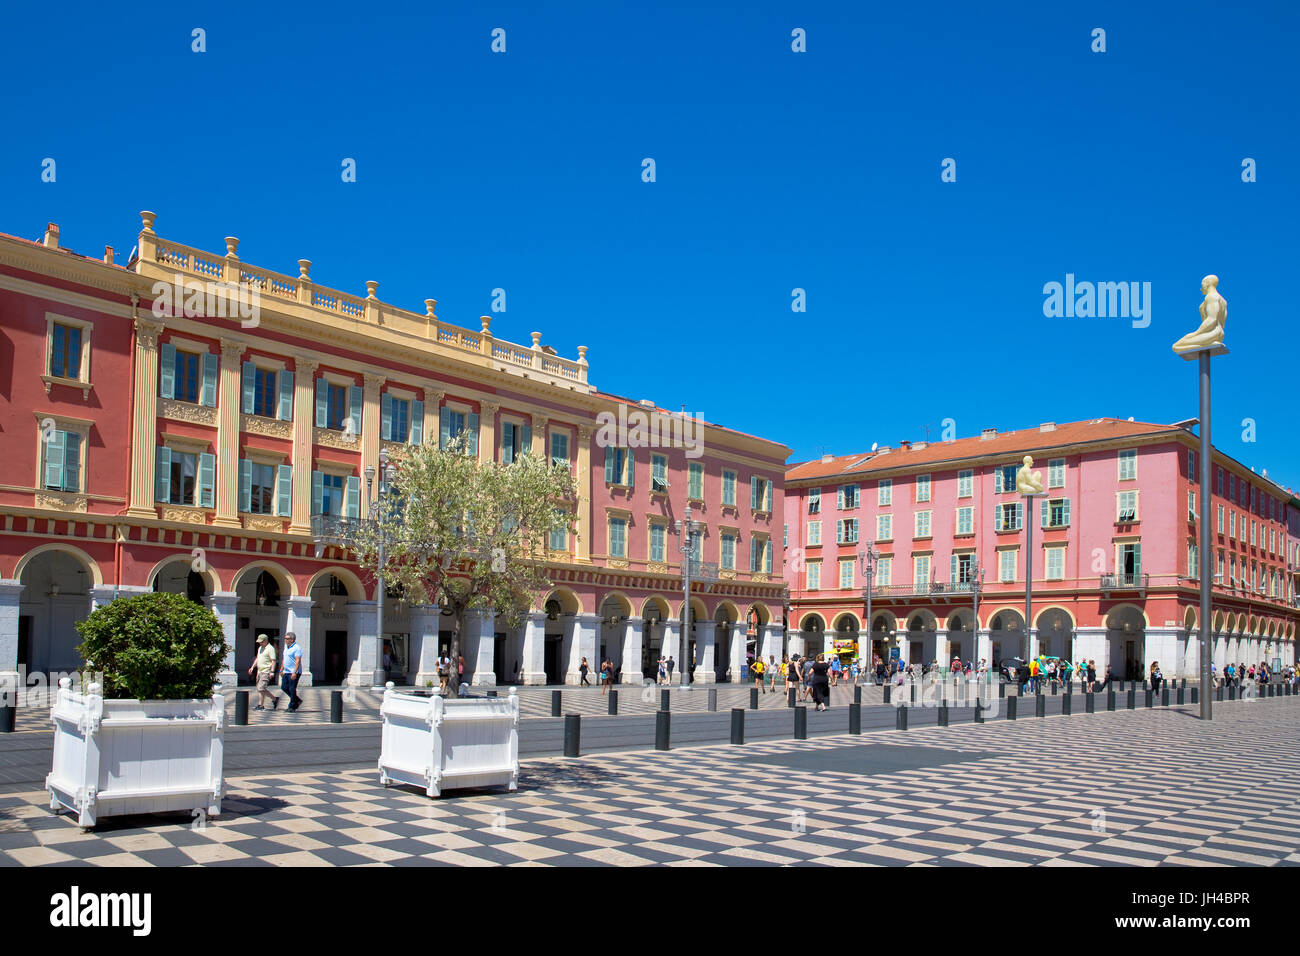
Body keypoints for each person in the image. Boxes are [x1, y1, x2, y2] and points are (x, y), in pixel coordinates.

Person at [249, 633, 278, 710]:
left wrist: (272, 671)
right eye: (259, 642)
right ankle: (274, 699)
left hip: (266, 671)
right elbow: (258, 658)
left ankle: (261, 705)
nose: (260, 643)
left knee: (261, 688)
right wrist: (252, 667)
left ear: (266, 640)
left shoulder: (270, 649)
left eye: (261, 641)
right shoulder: (260, 648)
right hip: (259, 671)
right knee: (260, 689)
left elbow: (273, 661)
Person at [281, 631, 303, 711]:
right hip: (286, 672)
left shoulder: (297, 648)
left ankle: (292, 706)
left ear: (292, 639)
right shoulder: (286, 647)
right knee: (284, 687)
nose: (285, 640)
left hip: (294, 672)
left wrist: (294, 672)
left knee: (292, 688)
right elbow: (284, 659)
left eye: (287, 639)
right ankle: (297, 700)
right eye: (285, 638)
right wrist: (281, 670)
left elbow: (298, 661)